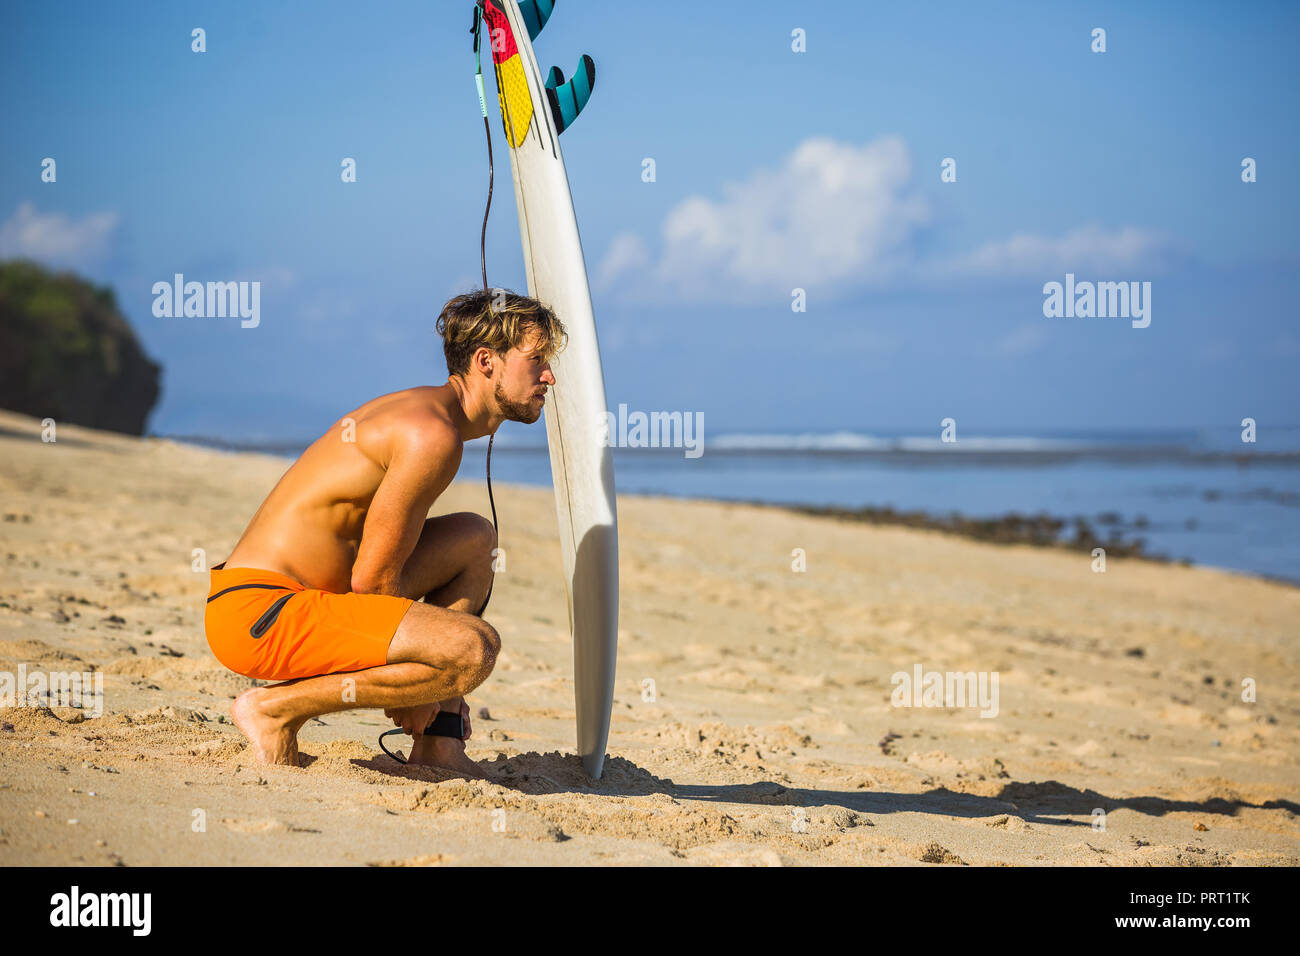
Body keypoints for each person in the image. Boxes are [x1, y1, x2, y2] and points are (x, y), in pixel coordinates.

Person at [204, 289, 566, 773]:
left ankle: (439, 744)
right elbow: (372, 583)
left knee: (475, 540)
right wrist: (421, 682)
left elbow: (375, 574)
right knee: (472, 648)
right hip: (259, 615)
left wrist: (427, 686)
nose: (549, 376)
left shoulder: (433, 418)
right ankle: (273, 711)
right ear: (486, 361)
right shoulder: (431, 435)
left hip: (303, 600)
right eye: (537, 360)